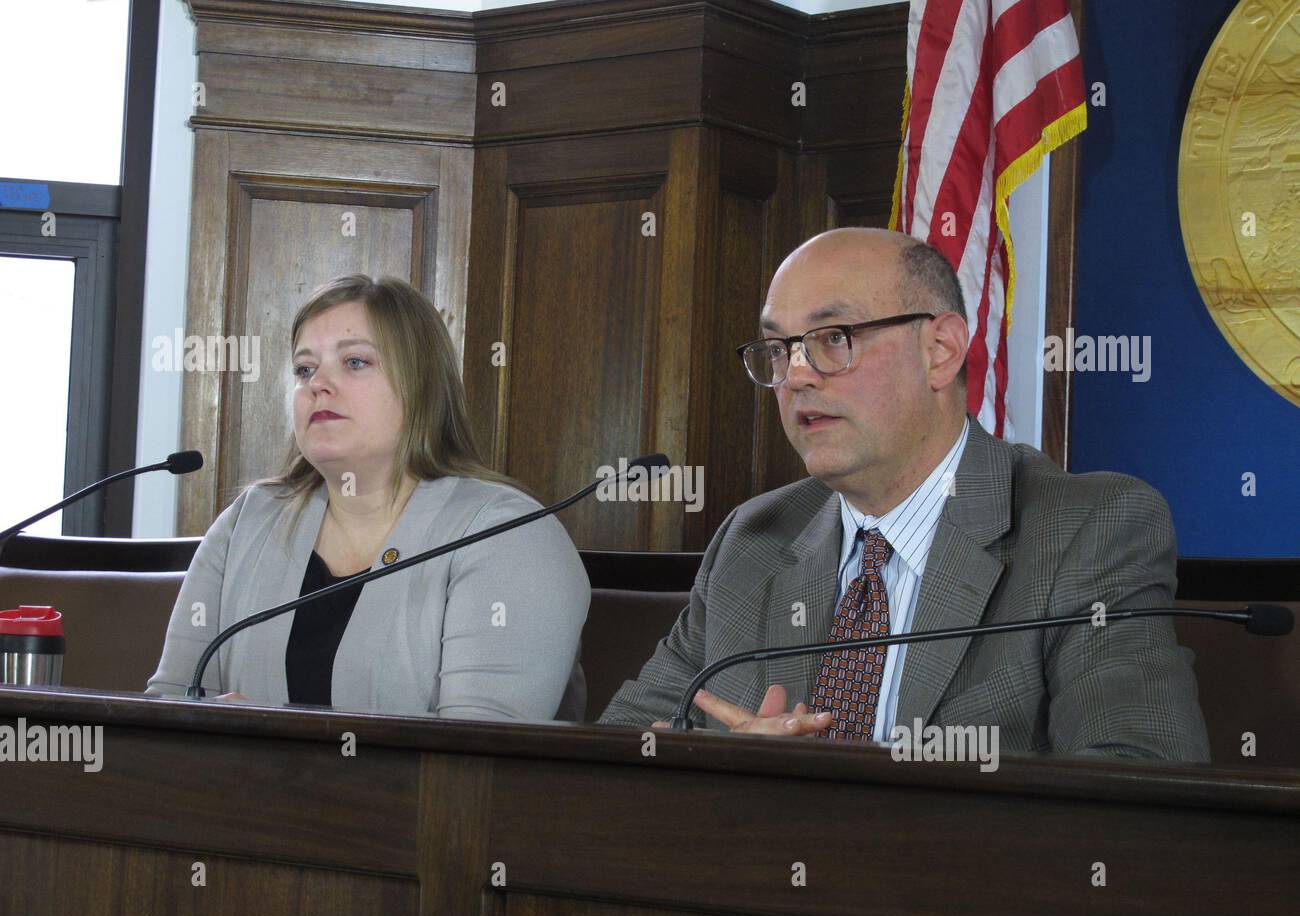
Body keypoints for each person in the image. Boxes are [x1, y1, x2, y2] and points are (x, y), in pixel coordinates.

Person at [599, 228, 1210, 761]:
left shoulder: (1085, 529)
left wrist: (839, 809)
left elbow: (1141, 776)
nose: (797, 375)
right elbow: (616, 749)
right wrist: (725, 782)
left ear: (940, 350)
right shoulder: (754, 539)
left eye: (833, 338)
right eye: (780, 349)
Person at [147, 275, 590, 720]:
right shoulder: (248, 520)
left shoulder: (507, 535)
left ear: (421, 385)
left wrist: (275, 754)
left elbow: (474, 761)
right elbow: (167, 712)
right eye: (304, 369)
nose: (318, 383)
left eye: (355, 362)